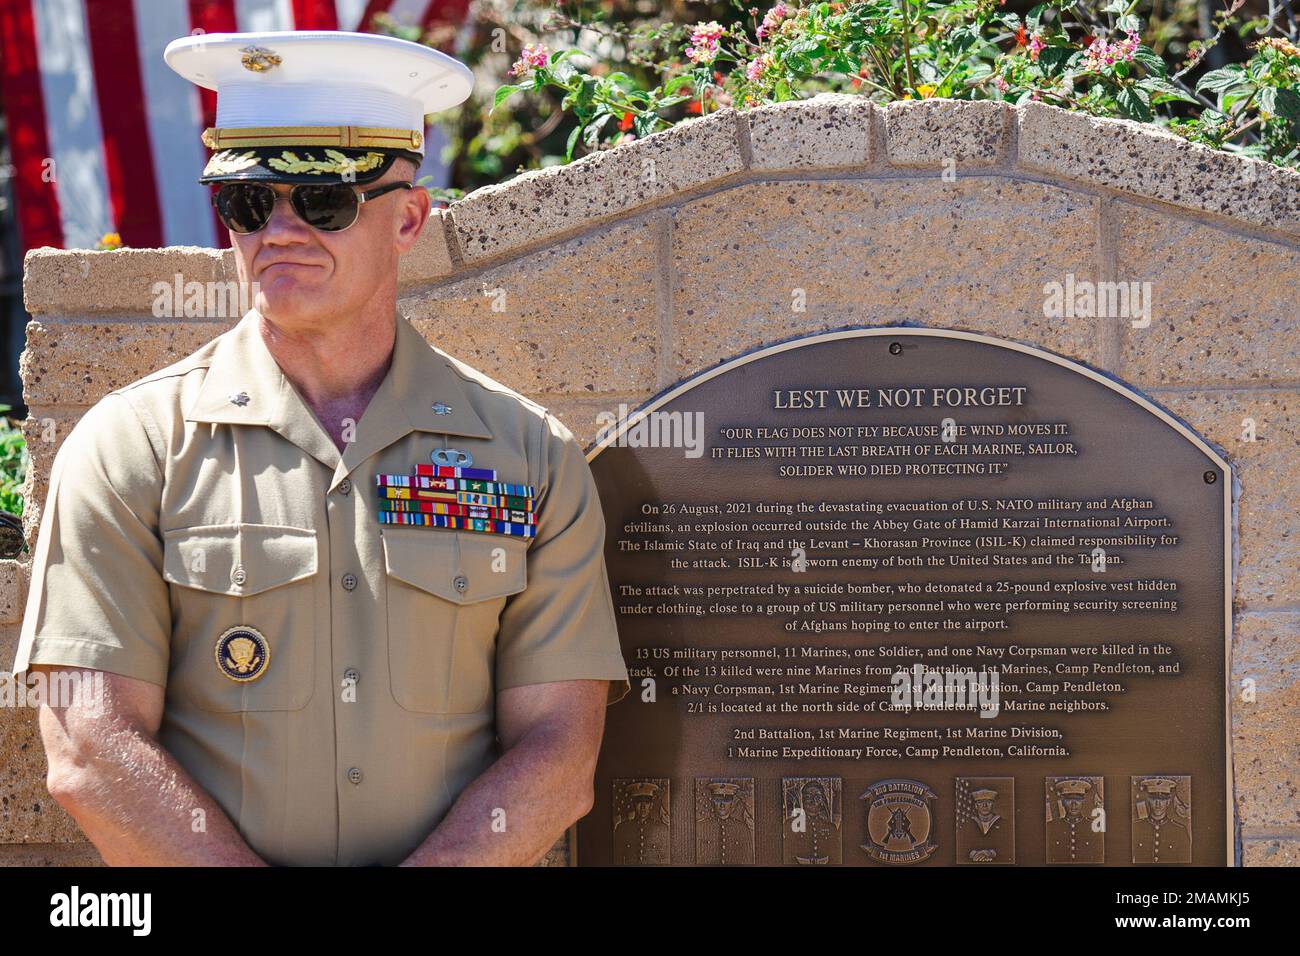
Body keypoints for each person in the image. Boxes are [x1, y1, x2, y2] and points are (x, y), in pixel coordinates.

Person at [10, 30, 630, 867]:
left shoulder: (528, 457)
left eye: (324, 202)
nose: (281, 230)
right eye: (248, 204)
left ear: (408, 217)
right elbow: (89, 748)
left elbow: (558, 750)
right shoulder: (133, 449)